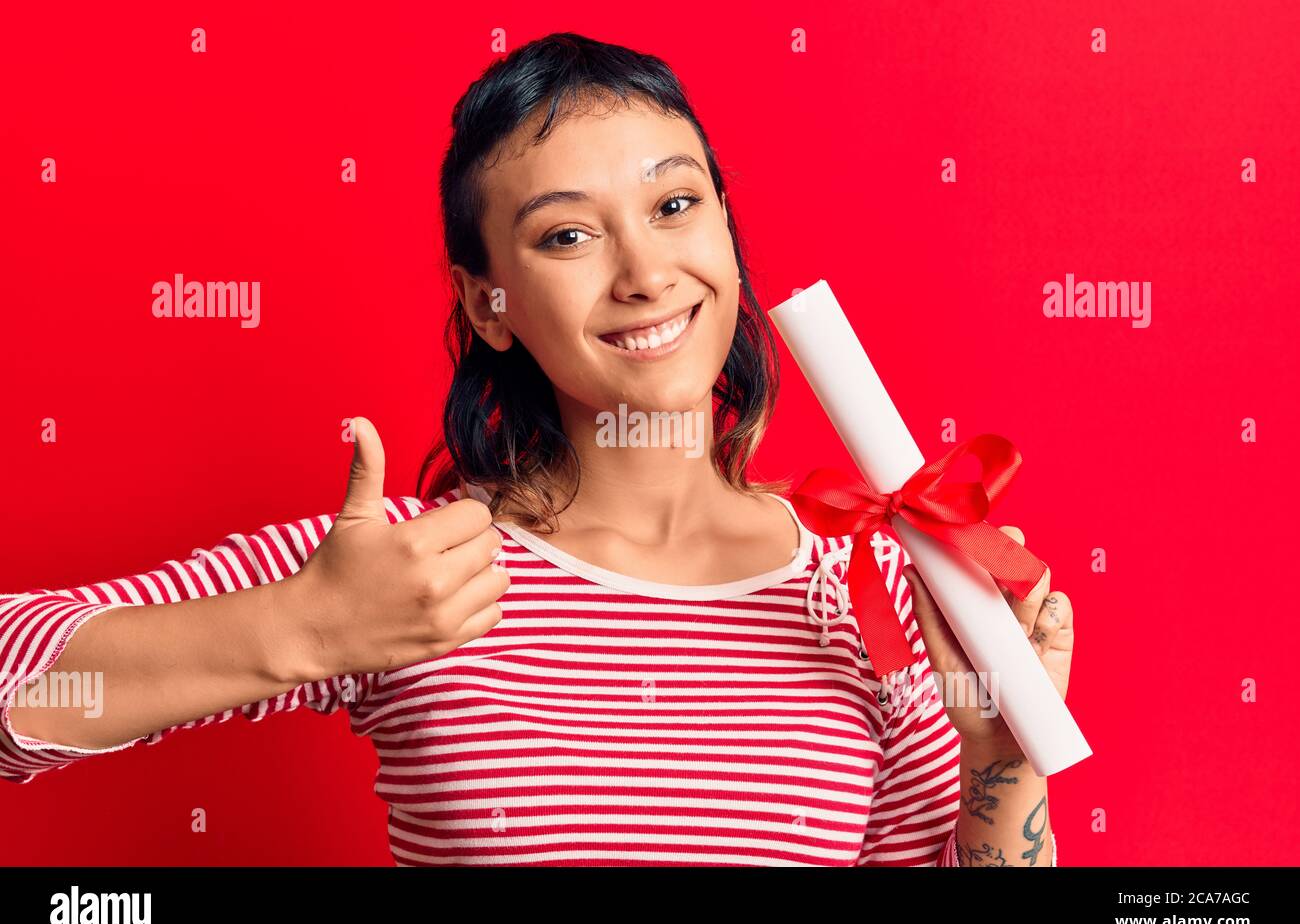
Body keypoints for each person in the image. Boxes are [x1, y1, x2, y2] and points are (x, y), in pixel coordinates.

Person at [0, 32, 1073, 867]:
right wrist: (302, 626)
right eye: (568, 233)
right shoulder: (415, 571)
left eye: (674, 203)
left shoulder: (871, 581)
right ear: (491, 302)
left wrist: (1002, 755)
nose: (645, 272)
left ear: (725, 235)